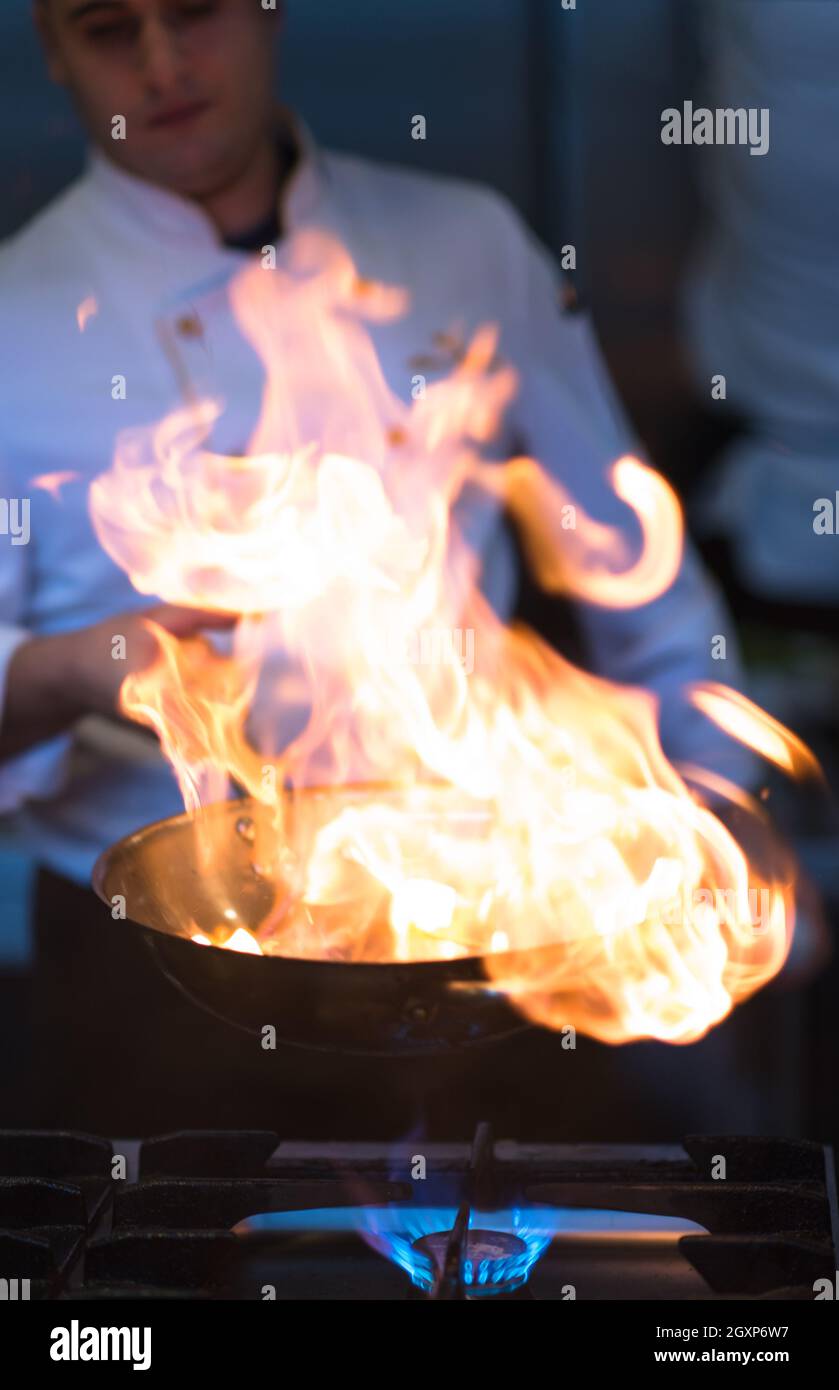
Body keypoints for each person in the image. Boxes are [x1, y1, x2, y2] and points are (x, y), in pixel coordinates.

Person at [0, 0, 758, 1137]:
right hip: (155, 962)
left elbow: (628, 562)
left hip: (481, 924)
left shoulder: (463, 244)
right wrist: (83, 666)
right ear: (53, 50)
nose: (161, 63)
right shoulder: (14, 314)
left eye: (193, 11)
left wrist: (720, 808)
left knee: (518, 1246)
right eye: (109, 26)